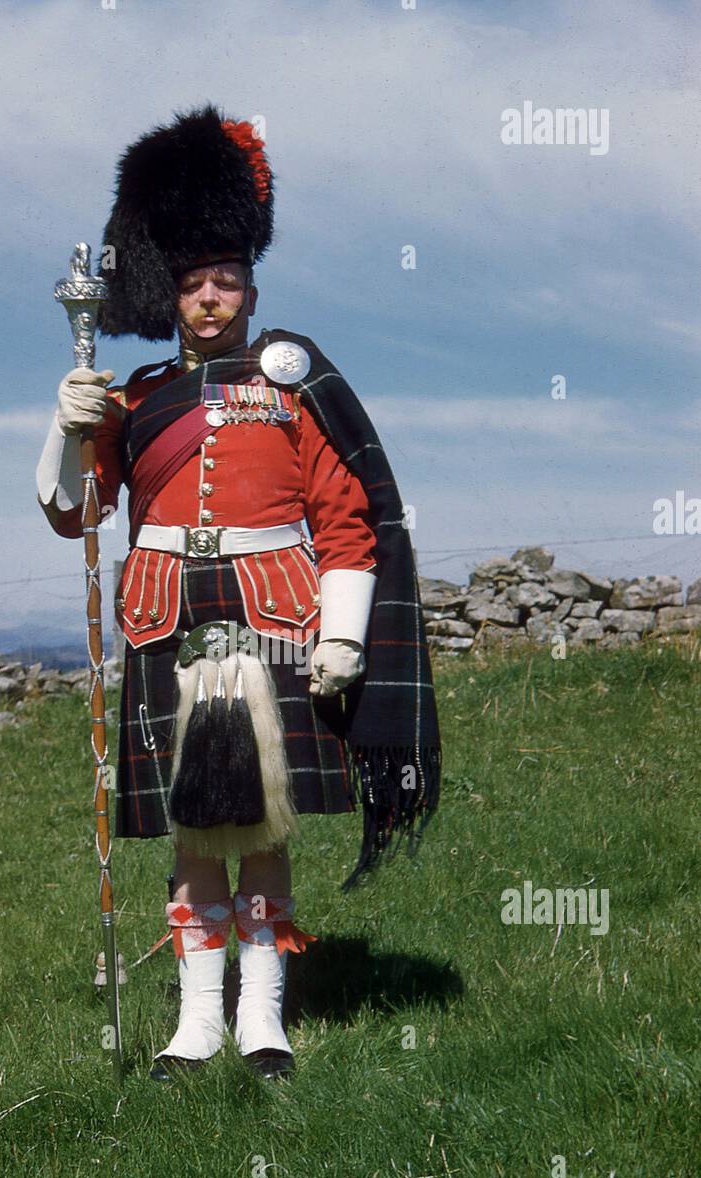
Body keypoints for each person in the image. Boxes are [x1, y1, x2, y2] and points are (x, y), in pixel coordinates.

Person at [36, 105, 441, 1082]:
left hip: (274, 622)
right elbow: (75, 510)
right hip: (164, 618)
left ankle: (263, 1018)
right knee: (192, 831)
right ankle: (195, 1025)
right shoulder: (135, 397)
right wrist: (67, 424)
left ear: (251, 286)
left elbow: (348, 520)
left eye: (226, 281)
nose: (210, 300)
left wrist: (341, 642)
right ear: (167, 295)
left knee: (259, 829)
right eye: (191, 285)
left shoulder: (292, 382)